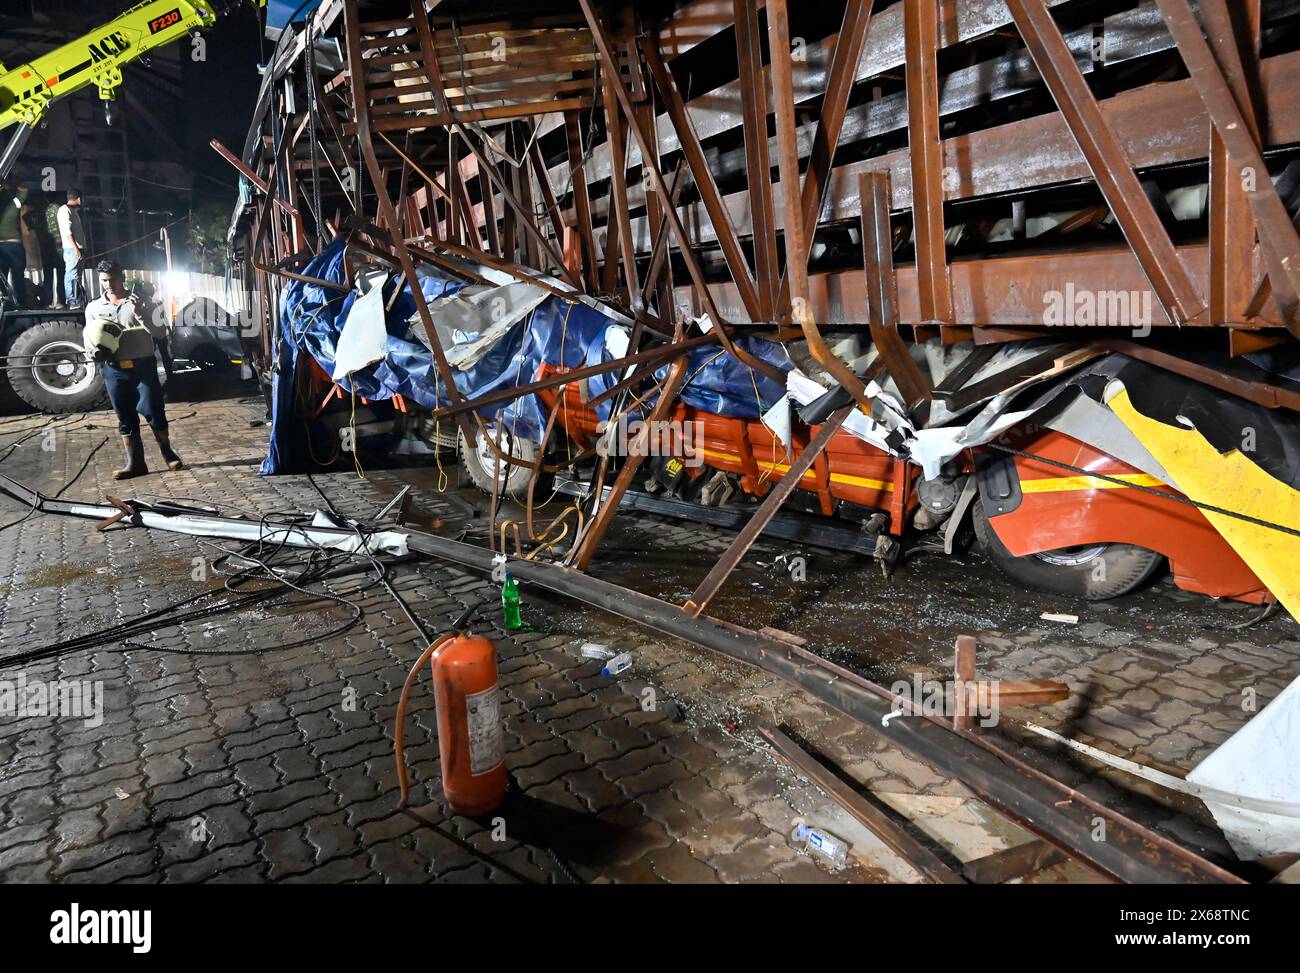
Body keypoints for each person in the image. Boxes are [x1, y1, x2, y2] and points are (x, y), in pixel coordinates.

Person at [83, 259, 184, 479]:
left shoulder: (146, 302)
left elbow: (159, 333)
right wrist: (93, 353)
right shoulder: (93, 308)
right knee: (125, 417)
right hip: (113, 370)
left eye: (112, 280)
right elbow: (89, 338)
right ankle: (135, 463)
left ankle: (168, 454)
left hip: (143, 367)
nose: (108, 285)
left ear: (122, 278)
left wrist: (139, 312)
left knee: (154, 411)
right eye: (104, 281)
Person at [0, 181, 29, 307]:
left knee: (2, 278)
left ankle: (4, 303)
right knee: (18, 278)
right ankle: (20, 304)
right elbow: (24, 192)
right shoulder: (15, 204)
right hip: (15, 246)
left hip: (1, 247)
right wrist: (13, 184)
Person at [57, 188, 86, 308]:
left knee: (77, 276)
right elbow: (67, 232)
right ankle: (72, 301)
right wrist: (76, 249)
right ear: (78, 198)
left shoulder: (73, 211)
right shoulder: (64, 210)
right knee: (72, 274)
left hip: (77, 248)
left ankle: (78, 300)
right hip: (72, 249)